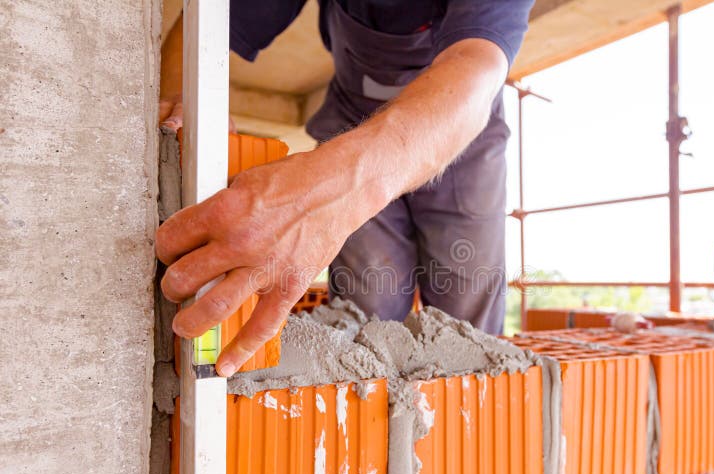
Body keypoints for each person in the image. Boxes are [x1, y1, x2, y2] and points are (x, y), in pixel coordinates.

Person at [157, 0, 535, 377]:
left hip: (462, 130)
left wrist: (328, 192)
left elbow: (474, 68)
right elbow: (205, 26)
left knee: (466, 323)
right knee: (365, 309)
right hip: (354, 119)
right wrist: (184, 94)